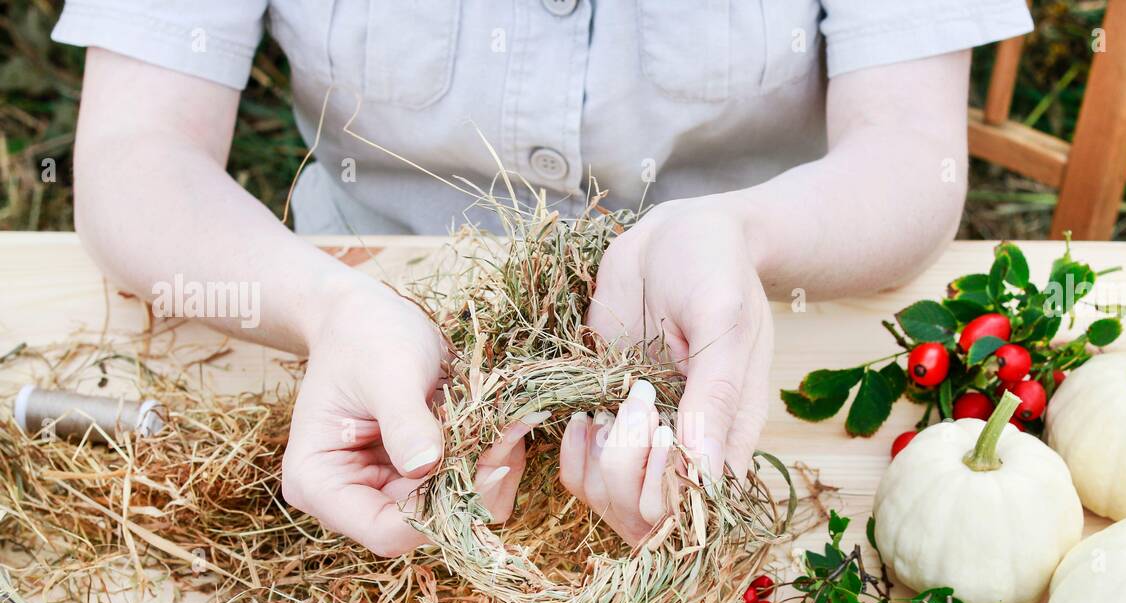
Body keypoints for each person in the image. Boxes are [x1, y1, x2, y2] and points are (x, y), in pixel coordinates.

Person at [53, 1, 1032, 555]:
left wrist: (742, 232)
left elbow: (909, 157)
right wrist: (322, 305)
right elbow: (133, 158)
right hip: (353, 349)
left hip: (728, 316)